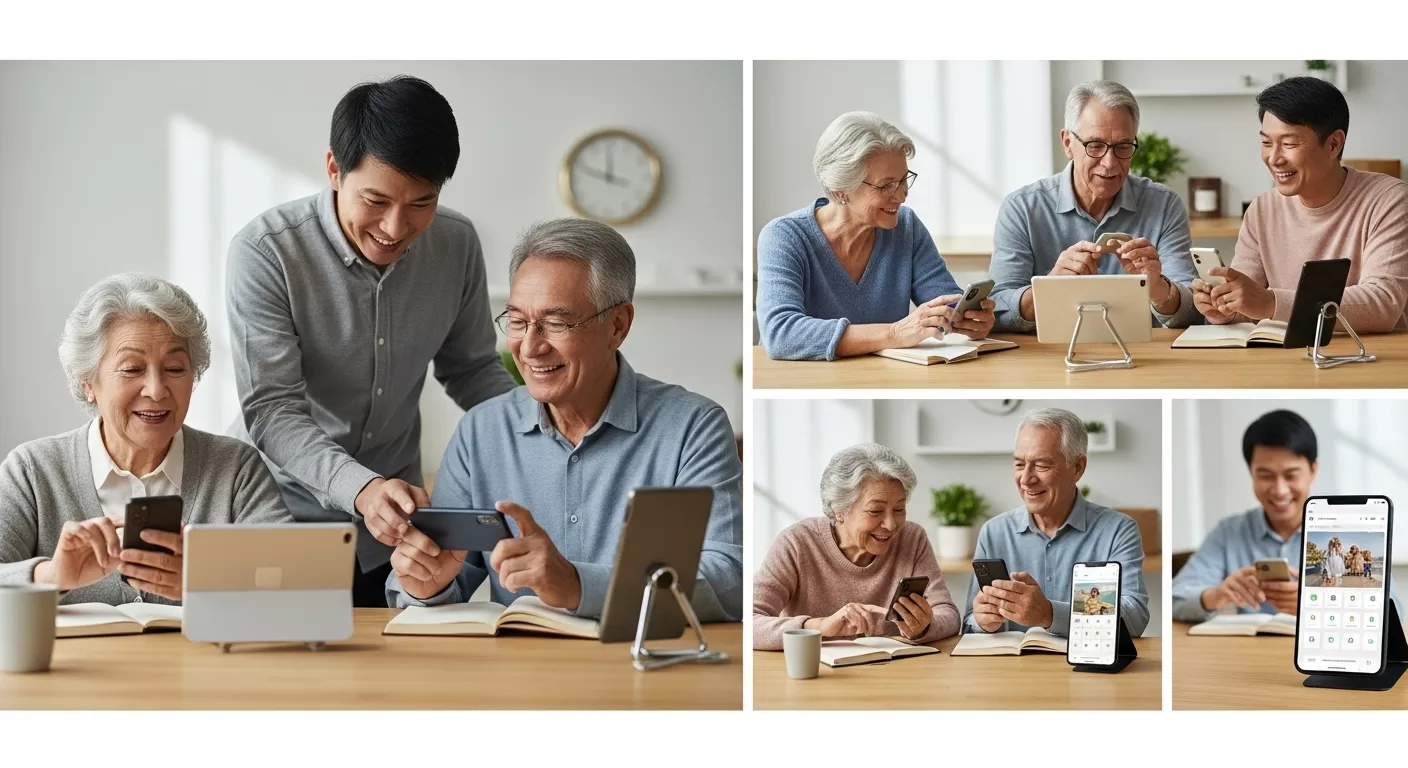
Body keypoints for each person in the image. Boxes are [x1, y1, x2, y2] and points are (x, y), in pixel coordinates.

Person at [225, 75, 515, 607]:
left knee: (390, 683)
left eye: (421, 203)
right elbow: (271, 408)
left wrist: (546, 428)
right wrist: (361, 488)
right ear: (335, 169)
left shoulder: (456, 243)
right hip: (279, 518)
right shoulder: (265, 252)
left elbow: (472, 369)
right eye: (376, 200)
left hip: (394, 535)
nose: (395, 226)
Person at [384, 219, 743, 621]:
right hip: (524, 674)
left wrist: (578, 585)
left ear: (618, 325)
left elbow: (731, 579)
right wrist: (425, 584)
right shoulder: (480, 431)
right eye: (518, 321)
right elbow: (443, 574)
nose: (531, 347)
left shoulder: (692, 428)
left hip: (643, 670)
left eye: (556, 323)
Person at [0, 274, 293, 605]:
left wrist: (213, 582)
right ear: (87, 383)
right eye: (132, 369)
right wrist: (50, 577)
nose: (156, 390)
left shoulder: (236, 469)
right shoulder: (32, 471)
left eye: (175, 369)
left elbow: (297, 585)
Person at [756, 111, 995, 361]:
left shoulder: (907, 226)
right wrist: (894, 333)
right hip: (804, 385)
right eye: (886, 185)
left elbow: (943, 300)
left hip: (881, 379)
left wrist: (966, 319)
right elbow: (781, 334)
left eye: (904, 180)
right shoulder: (784, 237)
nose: (902, 196)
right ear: (841, 191)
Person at [1193, 77, 1408, 332]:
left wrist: (1270, 302)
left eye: (1289, 143)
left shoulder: (1389, 200)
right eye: (1266, 142)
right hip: (1288, 361)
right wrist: (1223, 306)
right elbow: (1249, 307)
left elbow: (1382, 305)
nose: (1274, 158)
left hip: (1370, 360)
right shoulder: (1262, 210)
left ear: (1333, 144)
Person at [988, 80, 1199, 332]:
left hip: (1146, 359)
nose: (1110, 163)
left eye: (1123, 146)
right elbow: (996, 310)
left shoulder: (1164, 204)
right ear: (1068, 143)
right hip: (1049, 358)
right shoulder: (1021, 208)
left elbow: (1192, 311)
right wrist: (1048, 287)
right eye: (1095, 145)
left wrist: (1159, 288)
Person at [1171, 409, 1401, 619]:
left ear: (1313, 470)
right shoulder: (1229, 531)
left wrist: (1319, 601)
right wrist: (1216, 595)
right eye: (1265, 475)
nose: (1280, 490)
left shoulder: (1349, 527)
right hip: (1248, 657)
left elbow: (1396, 610)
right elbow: (1176, 599)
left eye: (1291, 475)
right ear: (1250, 472)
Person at [753, 443, 960, 650]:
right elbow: (751, 623)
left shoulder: (912, 539)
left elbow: (948, 614)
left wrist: (922, 627)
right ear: (839, 510)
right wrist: (819, 627)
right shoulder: (797, 543)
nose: (890, 524)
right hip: (817, 674)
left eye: (899, 509)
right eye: (875, 511)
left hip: (894, 672)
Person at [963, 408, 1149, 636]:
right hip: (1013, 670)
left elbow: (1134, 616)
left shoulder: (1117, 531)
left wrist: (1049, 614)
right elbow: (969, 622)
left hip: (1088, 668)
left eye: (1041, 465)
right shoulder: (994, 532)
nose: (1026, 479)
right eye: (1020, 464)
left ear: (1077, 468)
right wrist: (982, 621)